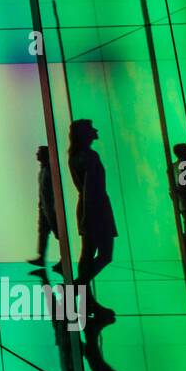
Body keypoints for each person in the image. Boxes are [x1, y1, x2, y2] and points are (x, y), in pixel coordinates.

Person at [67, 119, 117, 287]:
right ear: (84, 134)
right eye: (91, 129)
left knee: (87, 253)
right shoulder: (90, 156)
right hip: (96, 208)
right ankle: (77, 288)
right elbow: (90, 189)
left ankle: (82, 293)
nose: (95, 131)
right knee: (105, 255)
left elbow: (85, 189)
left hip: (88, 207)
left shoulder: (74, 157)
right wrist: (88, 216)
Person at [30, 145, 58, 265]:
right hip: (44, 208)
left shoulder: (49, 171)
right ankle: (41, 257)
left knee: (58, 233)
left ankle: (63, 259)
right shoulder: (43, 170)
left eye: (39, 152)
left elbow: (50, 192)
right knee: (43, 231)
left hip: (51, 208)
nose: (37, 154)